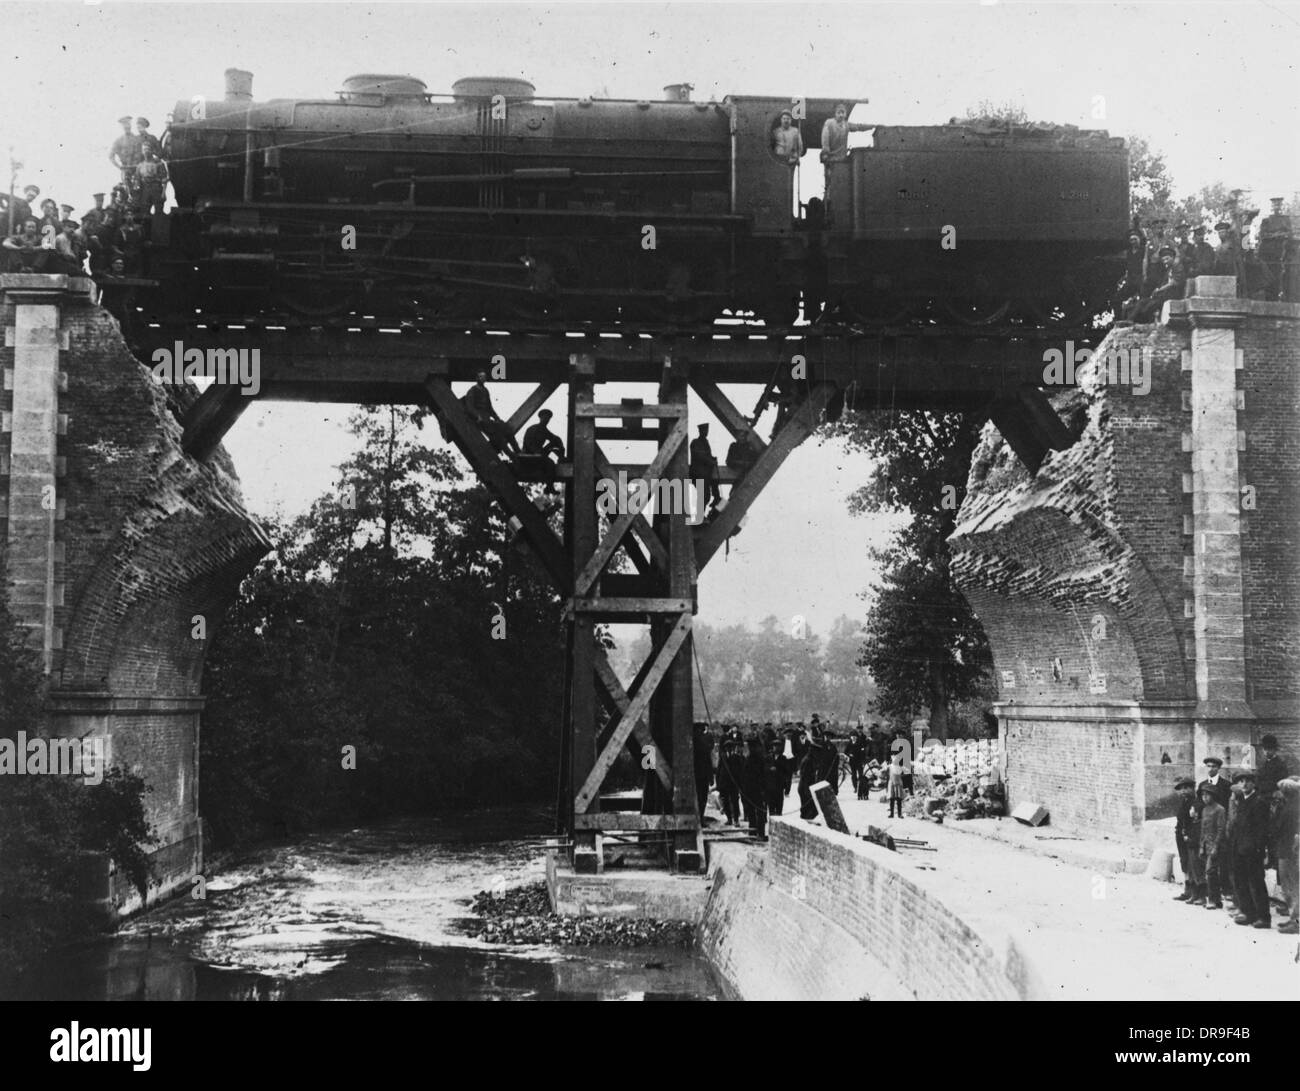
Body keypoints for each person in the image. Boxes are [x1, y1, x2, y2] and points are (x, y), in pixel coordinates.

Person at [1229, 770, 1272, 928]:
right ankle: (1248, 913)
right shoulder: (1242, 800)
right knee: (1241, 882)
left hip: (1253, 851)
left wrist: (1260, 849)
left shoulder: (1259, 802)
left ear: (1253, 783)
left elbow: (1262, 830)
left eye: (1247, 781)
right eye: (1241, 781)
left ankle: (1263, 917)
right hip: (1240, 849)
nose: (1244, 784)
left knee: (1256, 883)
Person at [819, 101, 869, 225]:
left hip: (841, 160)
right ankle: (827, 212)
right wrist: (826, 151)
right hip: (831, 159)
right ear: (835, 113)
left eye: (843, 113)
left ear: (845, 114)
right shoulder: (829, 123)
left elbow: (858, 127)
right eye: (839, 112)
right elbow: (825, 138)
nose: (841, 115)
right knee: (829, 186)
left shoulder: (846, 125)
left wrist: (872, 126)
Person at [463, 370, 520, 455]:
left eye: (484, 377)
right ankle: (509, 453)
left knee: (505, 427)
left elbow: (490, 407)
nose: (483, 378)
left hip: (487, 418)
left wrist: (497, 418)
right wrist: (477, 416)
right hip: (478, 419)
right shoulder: (472, 390)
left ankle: (517, 450)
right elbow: (469, 407)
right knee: (497, 435)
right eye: (481, 376)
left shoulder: (485, 390)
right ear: (477, 378)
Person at [1172, 776, 1205, 904]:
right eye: (1181, 789)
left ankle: (1196, 892)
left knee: (1193, 864)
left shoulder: (1196, 803)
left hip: (1192, 837)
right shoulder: (1183, 803)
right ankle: (1188, 890)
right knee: (1184, 862)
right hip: (1181, 835)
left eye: (1186, 788)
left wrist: (1189, 836)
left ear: (1193, 788)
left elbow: (1196, 823)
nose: (1184, 791)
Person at [1274, 776, 1299, 933]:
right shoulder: (1289, 806)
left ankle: (1296, 921)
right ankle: (1293, 918)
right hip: (1286, 850)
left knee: (1293, 887)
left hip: (1290, 851)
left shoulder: (1293, 808)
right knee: (1290, 886)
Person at [1198, 783, 1227, 911]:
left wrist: (1216, 846)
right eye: (1203, 795)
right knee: (1211, 873)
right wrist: (1201, 846)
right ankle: (1217, 900)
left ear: (1213, 796)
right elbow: (1202, 830)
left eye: (1207, 795)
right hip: (1205, 845)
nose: (1204, 797)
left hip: (1215, 845)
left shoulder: (1219, 809)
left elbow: (1221, 829)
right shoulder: (1204, 810)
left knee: (1210, 872)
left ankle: (1211, 899)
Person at [689, 423, 721, 513]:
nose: (706, 432)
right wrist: (711, 461)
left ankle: (716, 499)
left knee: (705, 495)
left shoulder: (705, 442)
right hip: (698, 474)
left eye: (706, 430)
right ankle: (700, 516)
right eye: (704, 430)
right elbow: (699, 456)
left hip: (705, 474)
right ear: (700, 431)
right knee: (704, 496)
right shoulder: (696, 442)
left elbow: (705, 456)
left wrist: (712, 458)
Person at [716, 729, 745, 826]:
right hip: (724, 783)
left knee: (735, 801)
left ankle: (736, 819)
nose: (728, 749)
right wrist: (718, 784)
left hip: (734, 783)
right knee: (725, 802)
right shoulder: (723, 757)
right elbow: (719, 771)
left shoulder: (736, 757)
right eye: (727, 747)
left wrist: (740, 784)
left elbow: (740, 771)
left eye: (730, 747)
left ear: (732, 748)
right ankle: (729, 819)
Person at [744, 734, 770, 838]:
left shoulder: (756, 760)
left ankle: (757, 833)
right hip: (754, 790)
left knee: (757, 813)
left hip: (756, 790)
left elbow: (763, 775)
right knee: (756, 812)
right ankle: (756, 833)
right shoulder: (752, 759)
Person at [134, 146, 169, 215]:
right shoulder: (140, 165)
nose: (146, 151)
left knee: (159, 211)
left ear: (152, 151)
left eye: (148, 149)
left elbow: (165, 179)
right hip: (145, 189)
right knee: (144, 212)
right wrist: (137, 191)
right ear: (142, 152)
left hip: (156, 188)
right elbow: (137, 180)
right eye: (144, 149)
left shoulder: (159, 163)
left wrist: (163, 193)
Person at [109, 115, 142, 187]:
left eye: (128, 124)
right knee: (129, 192)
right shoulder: (119, 141)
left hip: (138, 169)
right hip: (126, 170)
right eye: (124, 125)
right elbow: (111, 156)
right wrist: (119, 166)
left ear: (130, 125)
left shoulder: (137, 138)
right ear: (122, 127)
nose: (127, 127)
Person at [692, 722, 714, 820]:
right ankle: (699, 818)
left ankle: (698, 818)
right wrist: (710, 777)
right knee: (701, 798)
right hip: (701, 776)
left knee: (698, 798)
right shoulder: (703, 745)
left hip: (696, 776)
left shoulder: (691, 743)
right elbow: (708, 761)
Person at [886, 750, 905, 818]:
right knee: (892, 799)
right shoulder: (890, 766)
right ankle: (892, 813)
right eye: (893, 758)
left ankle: (900, 814)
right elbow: (883, 771)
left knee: (899, 799)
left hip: (898, 784)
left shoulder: (900, 767)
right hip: (892, 783)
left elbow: (906, 771)